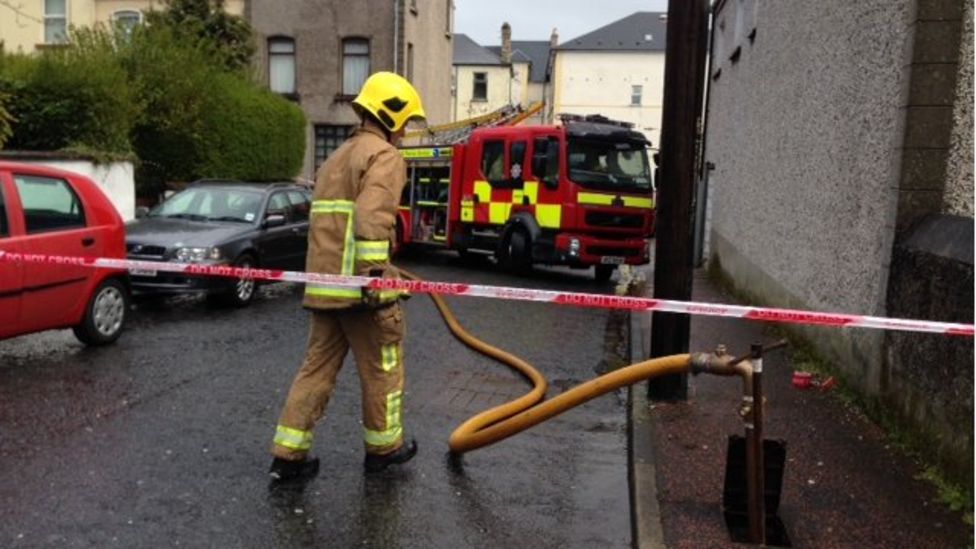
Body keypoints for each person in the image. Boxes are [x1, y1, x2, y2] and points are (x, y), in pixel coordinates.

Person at [268, 72, 426, 484]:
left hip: (325, 291)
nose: (406, 132)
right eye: (406, 122)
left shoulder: (335, 159)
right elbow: (371, 222)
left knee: (315, 371)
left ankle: (288, 456)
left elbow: (329, 230)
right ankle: (384, 450)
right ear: (391, 115)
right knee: (382, 370)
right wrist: (377, 281)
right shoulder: (384, 157)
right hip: (361, 294)